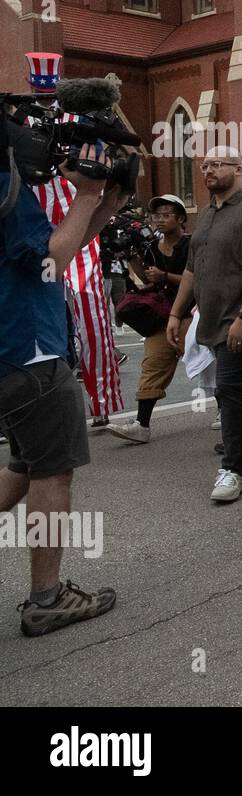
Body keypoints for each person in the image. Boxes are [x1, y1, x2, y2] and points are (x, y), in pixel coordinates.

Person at [3, 140, 127, 637]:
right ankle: (46, 598)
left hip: (11, 354)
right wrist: (89, 190)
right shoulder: (7, 186)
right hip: (29, 348)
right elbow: (49, 257)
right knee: (52, 473)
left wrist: (100, 207)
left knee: (25, 463)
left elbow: (61, 249)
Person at [168, 146, 242, 502]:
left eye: (217, 164)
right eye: (205, 165)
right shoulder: (207, 214)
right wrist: (176, 313)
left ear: (239, 170)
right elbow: (192, 269)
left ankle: (233, 470)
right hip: (216, 315)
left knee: (230, 387)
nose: (208, 170)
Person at [107, 194, 192, 444]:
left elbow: (197, 278)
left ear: (181, 219)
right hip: (163, 315)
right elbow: (146, 279)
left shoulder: (192, 245)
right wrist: (130, 255)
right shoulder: (152, 247)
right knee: (152, 364)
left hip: (191, 313)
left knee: (207, 365)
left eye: (167, 215)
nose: (160, 220)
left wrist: (165, 275)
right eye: (157, 215)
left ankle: (225, 413)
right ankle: (141, 425)